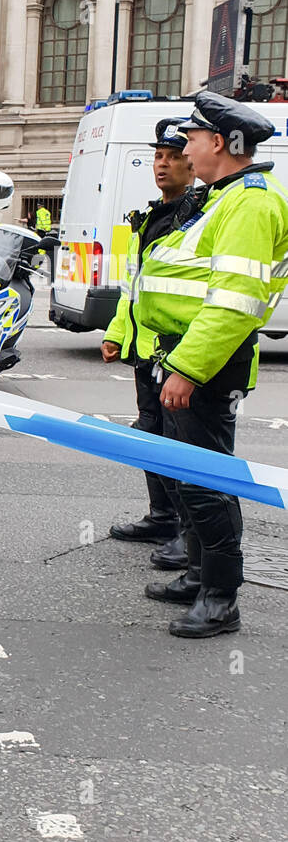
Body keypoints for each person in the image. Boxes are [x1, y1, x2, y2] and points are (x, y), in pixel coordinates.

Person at [134, 92, 288, 638]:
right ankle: (199, 574)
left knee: (208, 484)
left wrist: (188, 370)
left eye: (192, 139)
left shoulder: (249, 202)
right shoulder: (223, 198)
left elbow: (234, 302)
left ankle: (221, 598)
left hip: (207, 365)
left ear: (218, 143)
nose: (185, 149)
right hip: (182, 354)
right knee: (187, 475)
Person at [102, 118, 194, 570]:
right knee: (150, 433)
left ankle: (184, 527)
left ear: (192, 163)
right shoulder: (153, 214)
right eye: (159, 156)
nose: (163, 164)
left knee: (178, 442)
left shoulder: (197, 216)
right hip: (146, 349)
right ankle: (162, 515)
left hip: (176, 351)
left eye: (174, 156)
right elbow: (133, 287)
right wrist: (117, 333)